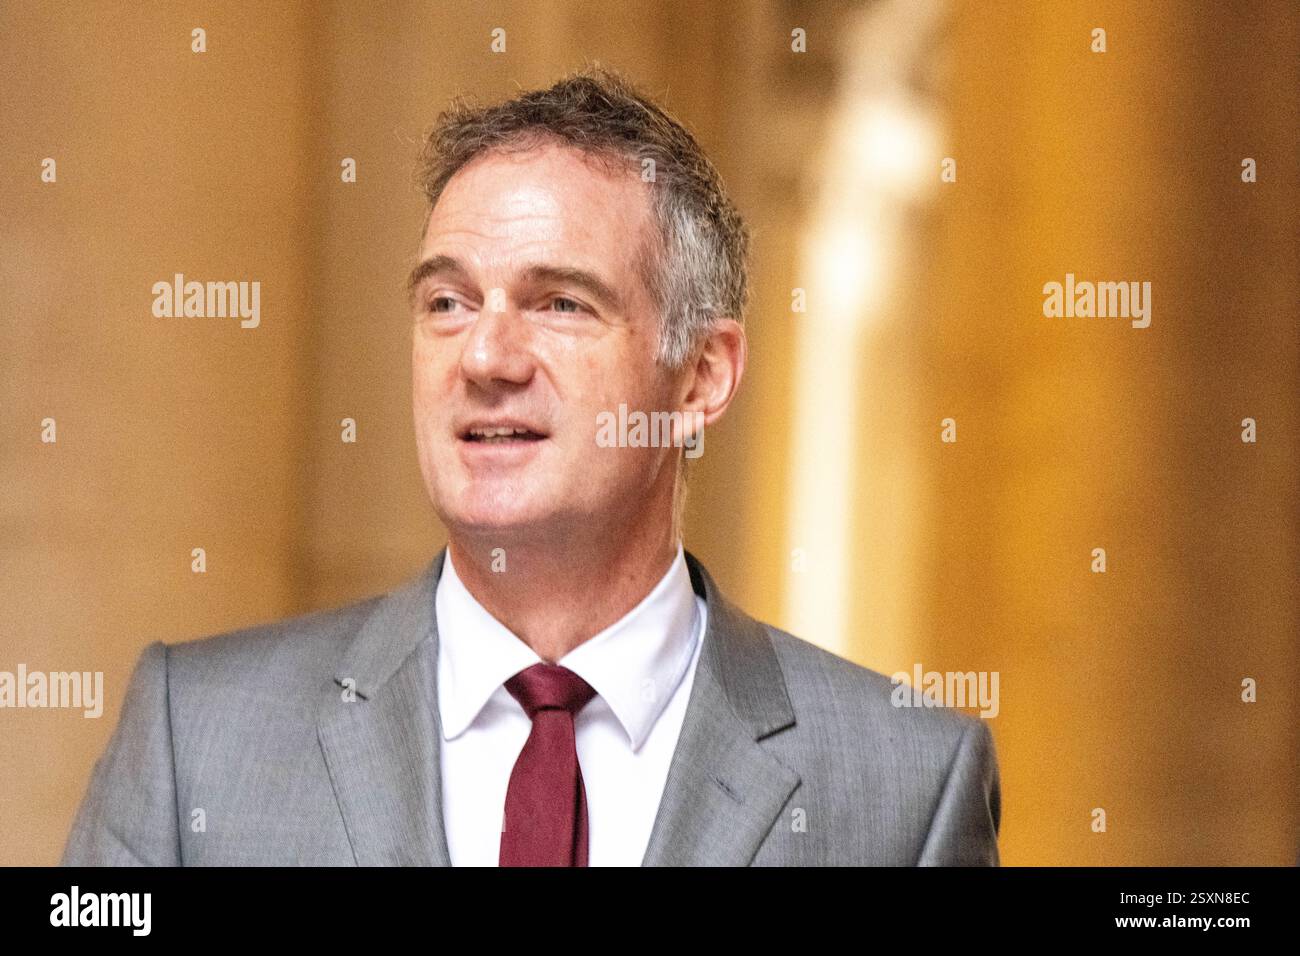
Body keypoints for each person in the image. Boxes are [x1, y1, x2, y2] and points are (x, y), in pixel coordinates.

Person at [62, 67, 1000, 866]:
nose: (485, 357)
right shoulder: (200, 736)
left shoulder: (904, 785)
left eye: (559, 304)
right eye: (447, 301)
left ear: (702, 377)